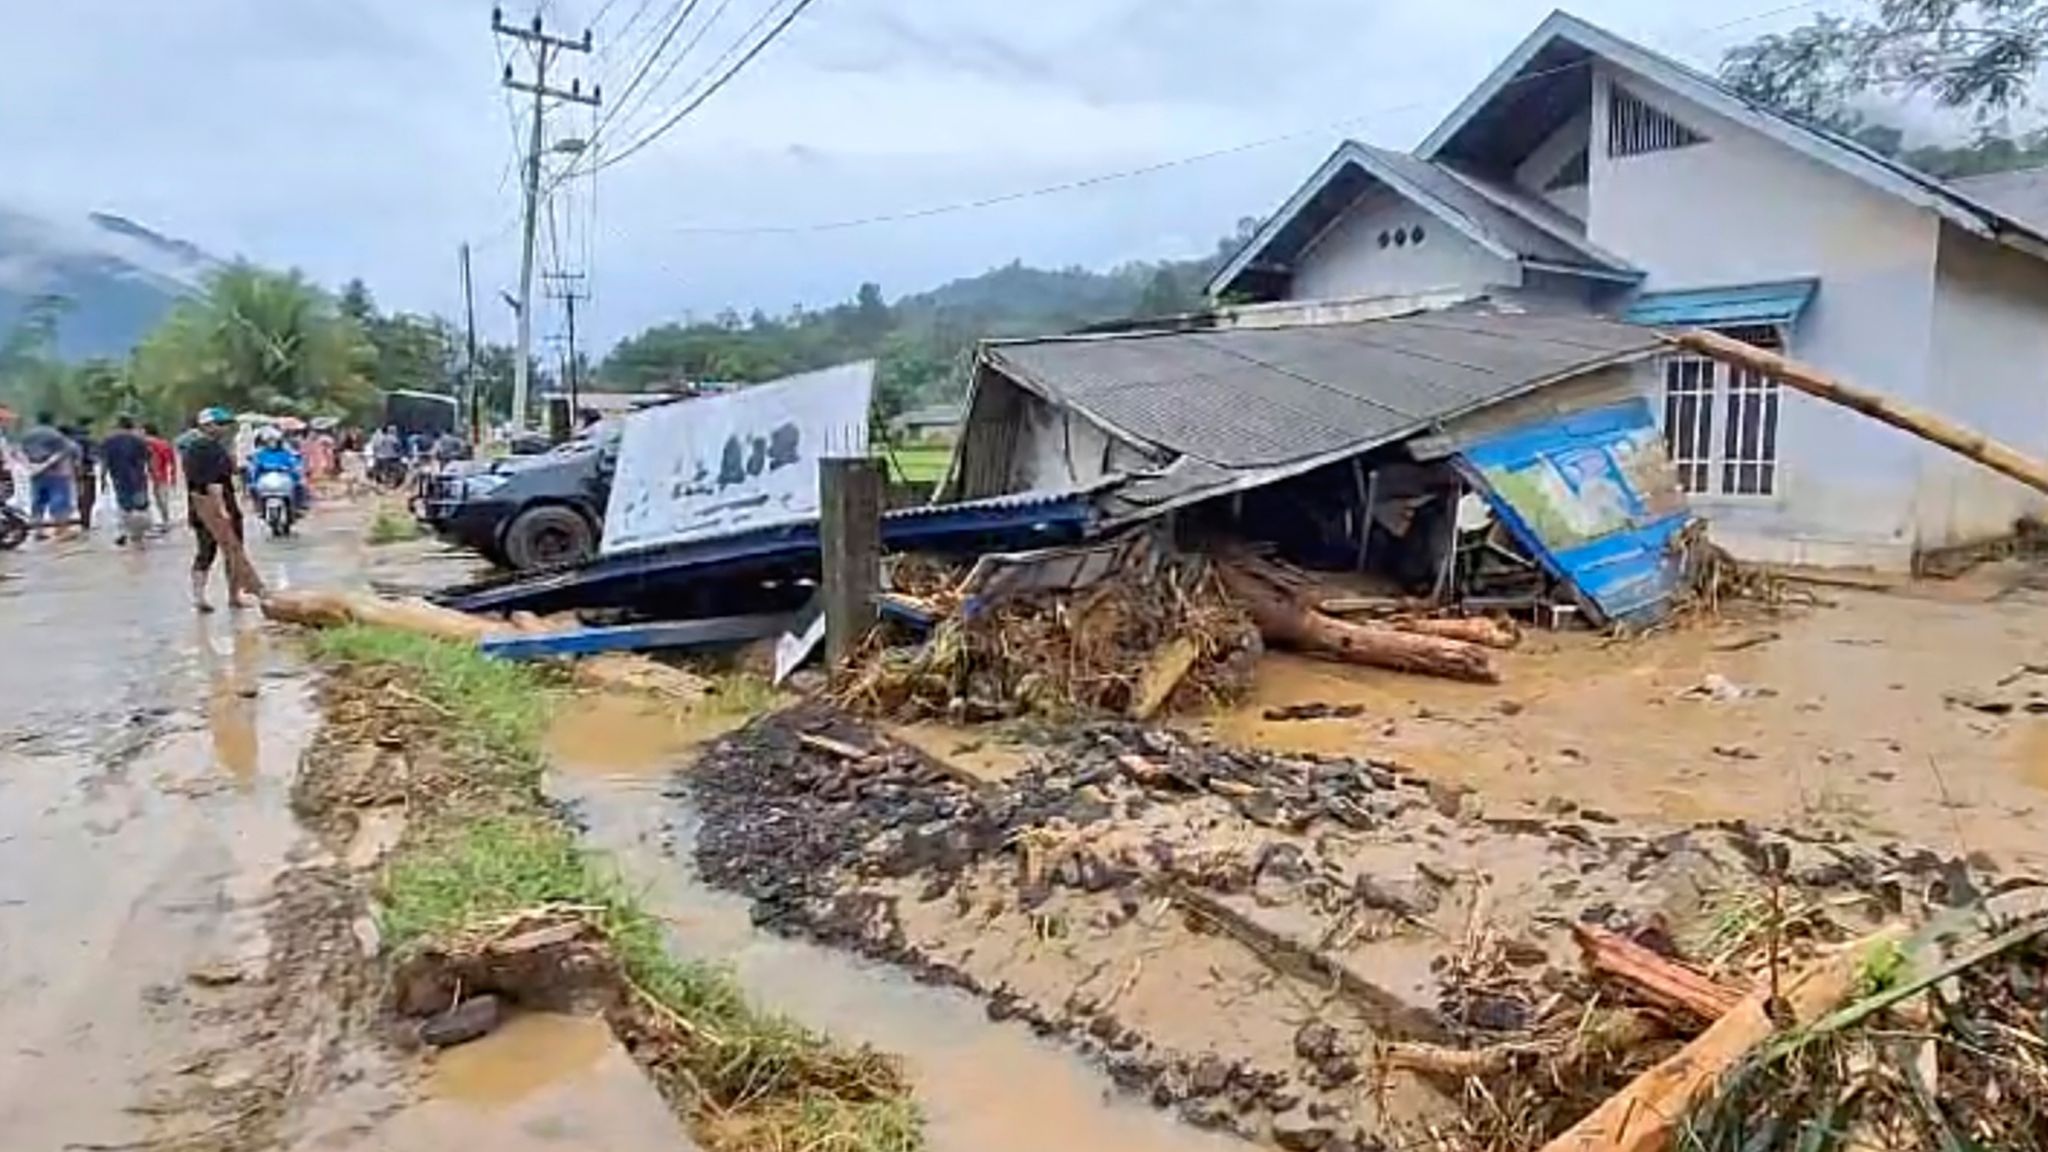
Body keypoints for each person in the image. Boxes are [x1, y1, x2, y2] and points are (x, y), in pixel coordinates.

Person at [179, 407, 254, 612]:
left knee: (205, 552)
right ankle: (234, 595)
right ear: (207, 426)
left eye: (225, 425)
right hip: (217, 507)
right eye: (220, 425)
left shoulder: (191, 449)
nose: (224, 429)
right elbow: (214, 483)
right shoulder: (209, 449)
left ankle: (200, 596)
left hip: (198, 507)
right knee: (232, 550)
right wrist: (222, 511)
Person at [18, 412, 79, 536]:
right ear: (51, 421)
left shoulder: (28, 435)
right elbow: (68, 449)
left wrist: (32, 466)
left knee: (38, 501)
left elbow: (21, 452)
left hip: (35, 472)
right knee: (59, 500)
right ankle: (61, 529)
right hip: (56, 472)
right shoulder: (56, 434)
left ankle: (38, 531)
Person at [100, 415, 153, 547]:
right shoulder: (139, 441)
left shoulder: (108, 441)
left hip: (119, 478)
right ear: (132, 425)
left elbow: (104, 462)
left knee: (124, 507)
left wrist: (102, 478)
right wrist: (154, 475)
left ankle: (123, 532)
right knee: (141, 507)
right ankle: (138, 536)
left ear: (118, 425)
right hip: (138, 478)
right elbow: (148, 459)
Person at [246, 426, 308, 511]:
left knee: (299, 485)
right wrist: (252, 463)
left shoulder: (285, 451)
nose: (272, 443)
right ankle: (258, 505)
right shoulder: (260, 452)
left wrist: (296, 462)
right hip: (265, 476)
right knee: (252, 486)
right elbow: (254, 462)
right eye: (270, 441)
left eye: (274, 441)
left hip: (284, 476)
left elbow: (294, 459)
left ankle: (298, 505)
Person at [65, 424, 99, 533]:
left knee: (80, 496)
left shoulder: (69, 442)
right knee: (89, 497)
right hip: (88, 471)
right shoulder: (90, 441)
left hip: (74, 472)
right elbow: (95, 457)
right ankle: (86, 522)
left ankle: (82, 521)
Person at [144, 423, 178, 528]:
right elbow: (172, 460)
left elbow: (152, 459)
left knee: (160, 498)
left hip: (156, 474)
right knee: (161, 498)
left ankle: (165, 521)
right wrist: (173, 475)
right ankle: (165, 520)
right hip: (162, 473)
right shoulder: (164, 443)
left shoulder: (150, 442)